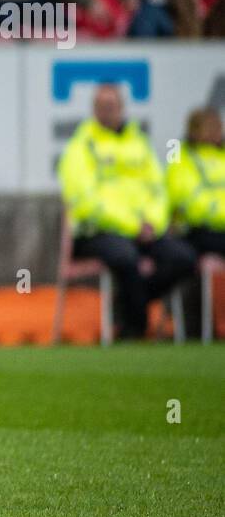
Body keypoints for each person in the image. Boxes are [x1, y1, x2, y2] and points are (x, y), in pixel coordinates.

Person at [59, 84, 195, 339]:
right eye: (101, 106)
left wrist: (152, 222)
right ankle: (134, 330)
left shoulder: (139, 144)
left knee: (184, 257)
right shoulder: (81, 147)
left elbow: (158, 189)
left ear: (121, 108)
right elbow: (85, 200)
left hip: (145, 231)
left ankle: (128, 307)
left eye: (112, 106)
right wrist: (133, 226)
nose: (107, 111)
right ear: (94, 110)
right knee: (126, 258)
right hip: (97, 233)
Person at [167, 107, 225, 257]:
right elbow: (181, 194)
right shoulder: (178, 153)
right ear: (194, 130)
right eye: (211, 127)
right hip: (199, 228)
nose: (217, 131)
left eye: (218, 126)